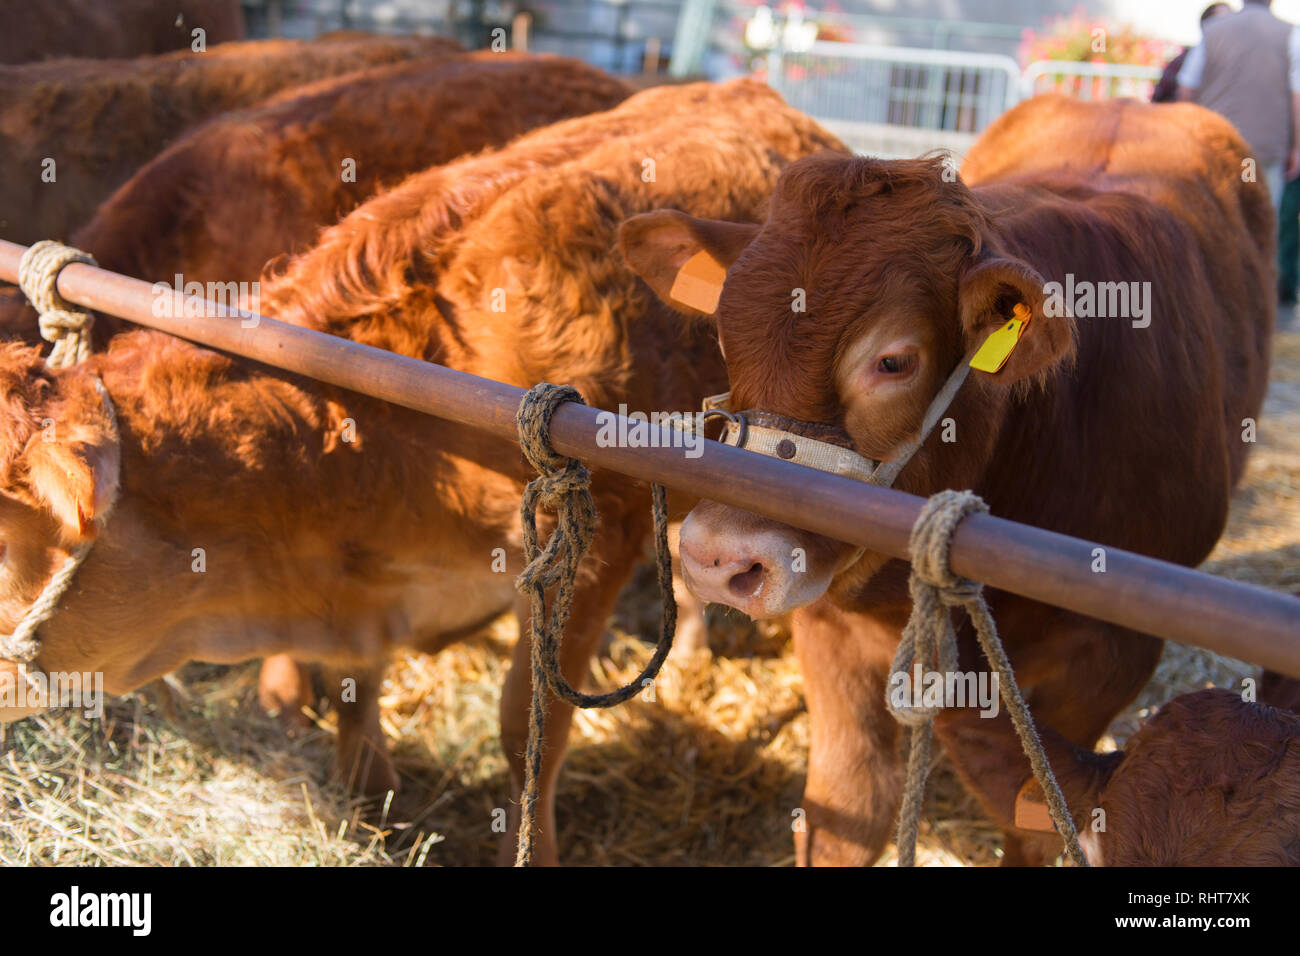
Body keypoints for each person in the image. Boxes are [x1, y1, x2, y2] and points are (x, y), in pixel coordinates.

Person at [1176, 0, 1300, 217]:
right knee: (1260, 222)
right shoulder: (1290, 34)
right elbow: (1297, 94)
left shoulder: (1213, 29)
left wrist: (1185, 136)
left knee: (1215, 221)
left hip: (1214, 145)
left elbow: (1187, 87)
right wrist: (1296, 146)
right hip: (1265, 149)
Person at [1151, 2, 1230, 103]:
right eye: (1224, 21)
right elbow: (1162, 98)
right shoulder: (1180, 63)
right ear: (1207, 27)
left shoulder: (1233, 63)